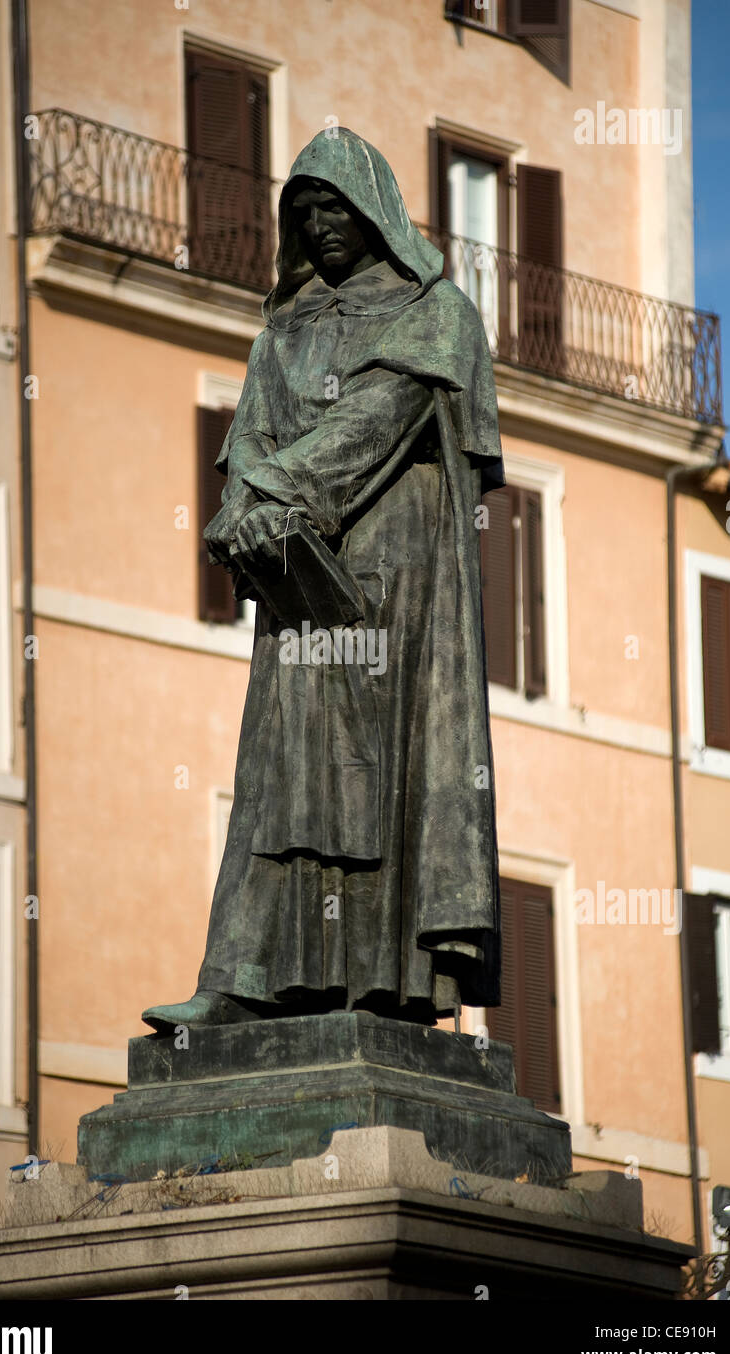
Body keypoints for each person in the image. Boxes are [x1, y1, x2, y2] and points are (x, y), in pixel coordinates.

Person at [143, 128, 505, 1030]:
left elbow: (376, 422)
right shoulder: (283, 331)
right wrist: (248, 508)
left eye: (333, 206)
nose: (319, 223)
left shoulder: (436, 314)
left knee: (388, 773)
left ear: (372, 210)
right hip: (301, 576)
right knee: (282, 772)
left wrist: (268, 492)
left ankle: (385, 987)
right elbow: (251, 442)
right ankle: (242, 978)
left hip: (397, 575)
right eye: (303, 210)